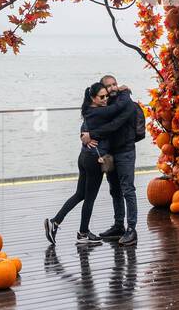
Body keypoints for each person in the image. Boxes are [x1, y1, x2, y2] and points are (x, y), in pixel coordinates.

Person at [44, 81, 131, 246]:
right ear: (93, 97)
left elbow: (85, 128)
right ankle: (82, 234)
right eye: (102, 97)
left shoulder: (88, 110)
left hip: (85, 157)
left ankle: (55, 222)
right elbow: (117, 109)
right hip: (93, 160)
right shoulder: (100, 112)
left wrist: (85, 136)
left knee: (80, 194)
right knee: (89, 198)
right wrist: (125, 92)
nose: (105, 99)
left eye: (106, 96)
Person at [85, 74, 142, 246]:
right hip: (110, 153)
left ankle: (131, 229)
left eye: (115, 84)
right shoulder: (106, 105)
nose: (113, 88)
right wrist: (84, 134)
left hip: (125, 151)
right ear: (103, 90)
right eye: (108, 86)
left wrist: (92, 135)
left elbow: (115, 124)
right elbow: (90, 118)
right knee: (114, 190)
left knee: (128, 189)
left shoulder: (126, 104)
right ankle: (119, 225)